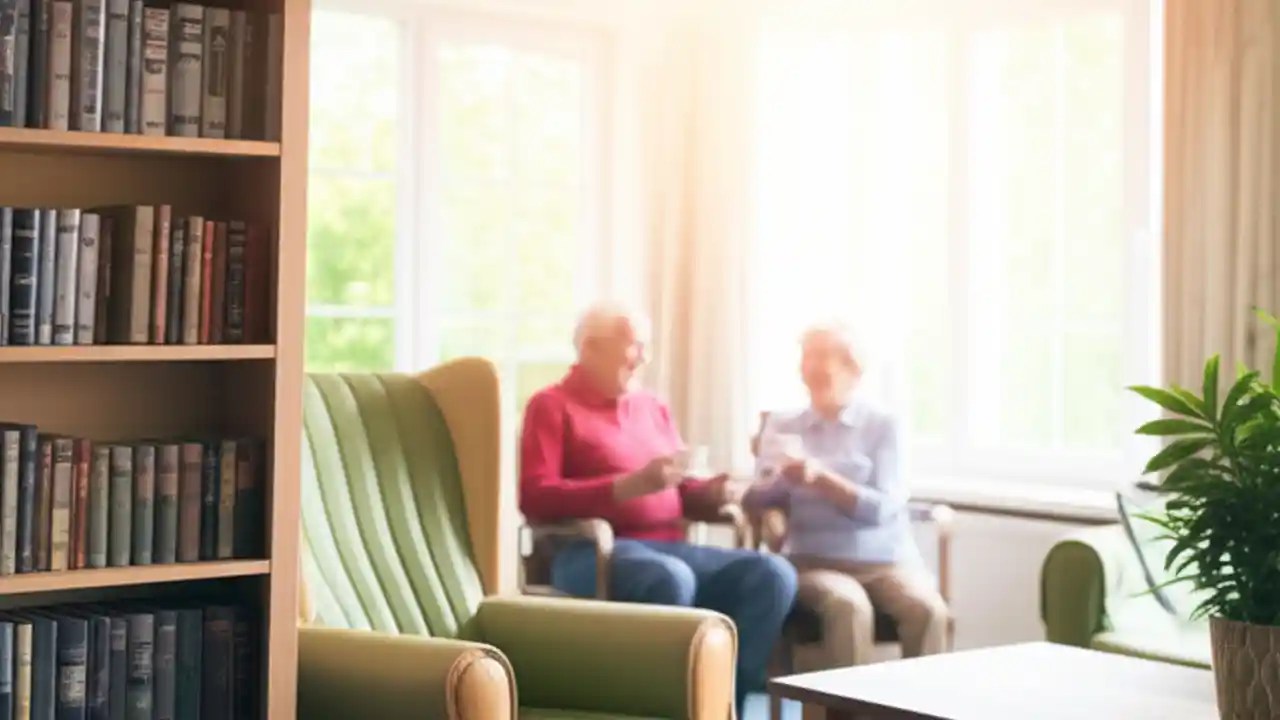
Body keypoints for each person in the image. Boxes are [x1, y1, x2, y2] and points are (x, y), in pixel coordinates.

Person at [519, 301, 798, 711]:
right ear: (590, 348)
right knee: (670, 578)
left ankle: (719, 707)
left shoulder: (652, 407)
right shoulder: (550, 405)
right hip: (590, 551)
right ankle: (669, 710)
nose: (644, 357)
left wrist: (716, 491)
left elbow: (678, 488)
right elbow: (534, 495)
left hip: (668, 547)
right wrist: (624, 487)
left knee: (772, 574)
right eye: (634, 345)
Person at [745, 323, 949, 668]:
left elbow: (882, 509)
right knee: (849, 607)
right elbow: (755, 500)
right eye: (809, 358)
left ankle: (920, 699)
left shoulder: (883, 426)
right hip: (813, 560)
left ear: (854, 370)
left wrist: (821, 479)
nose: (816, 368)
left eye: (827, 359)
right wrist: (777, 483)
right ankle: (846, 701)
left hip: (886, 564)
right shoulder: (782, 425)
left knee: (928, 611)